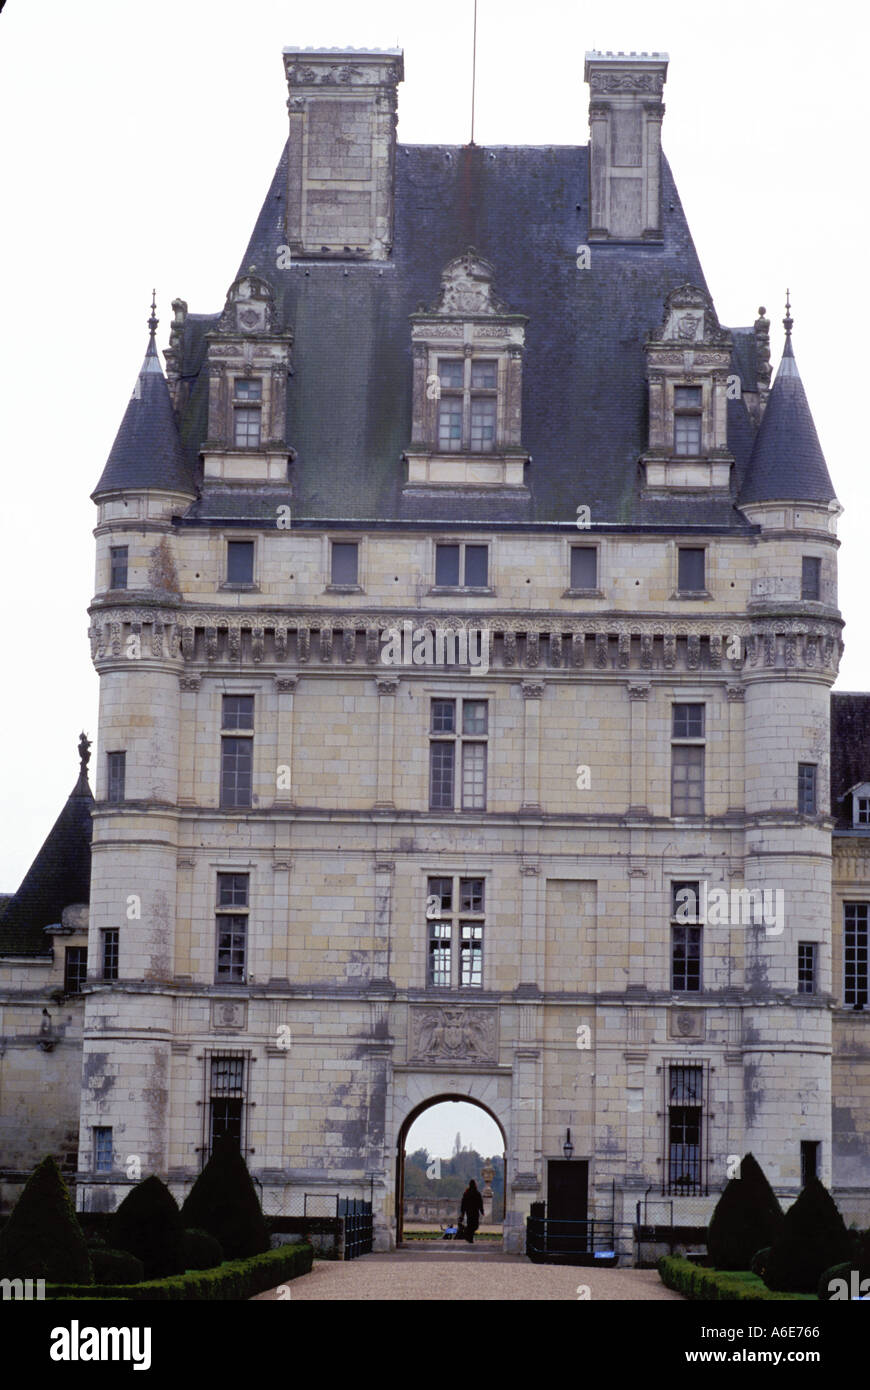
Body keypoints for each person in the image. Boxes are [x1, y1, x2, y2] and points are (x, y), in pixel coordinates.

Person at [460, 1178, 484, 1244]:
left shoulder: (466, 1193)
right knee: (474, 1225)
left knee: (470, 1224)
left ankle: (468, 1236)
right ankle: (469, 1237)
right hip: (475, 1211)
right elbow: (480, 1203)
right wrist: (482, 1211)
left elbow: (463, 1203)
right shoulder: (477, 1193)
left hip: (469, 1211)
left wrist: (462, 1212)